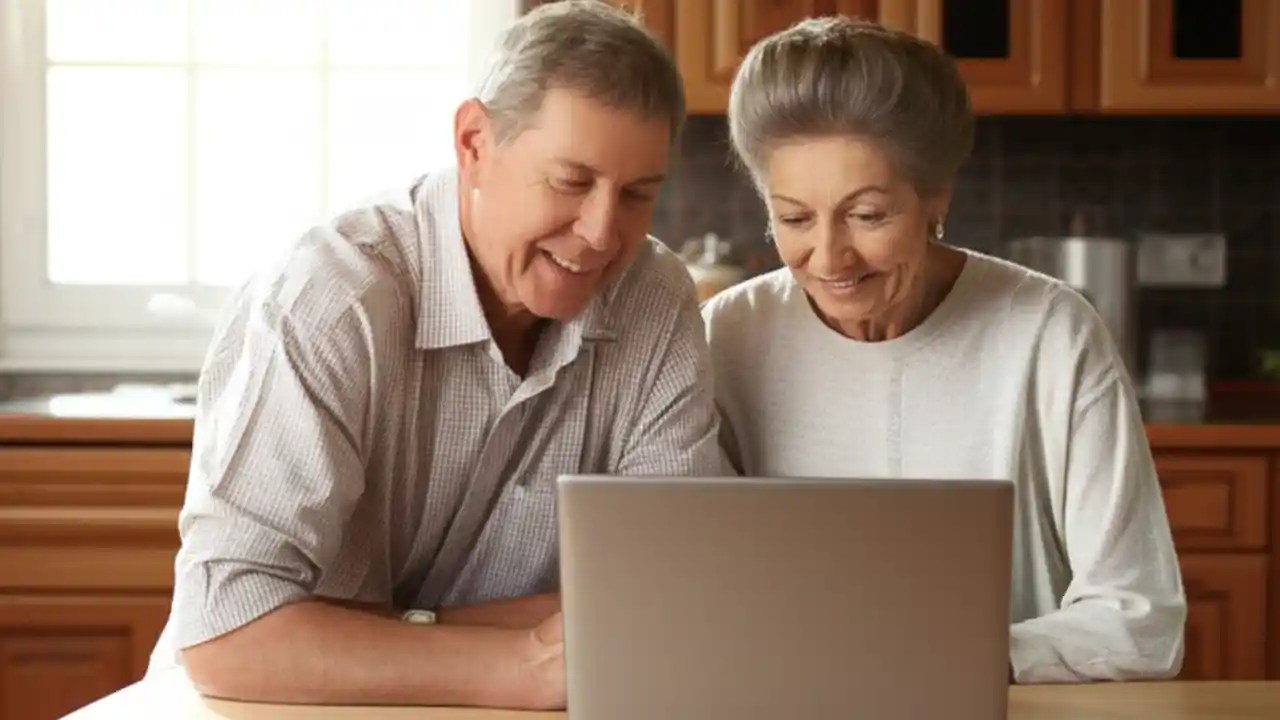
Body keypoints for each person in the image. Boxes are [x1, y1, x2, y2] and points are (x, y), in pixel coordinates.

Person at [148, 1, 719, 710]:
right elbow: (228, 632)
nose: (603, 233)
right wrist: (521, 663)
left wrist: (399, 632)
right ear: (474, 142)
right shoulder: (332, 299)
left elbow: (665, 595)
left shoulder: (654, 299)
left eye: (636, 195)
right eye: (571, 182)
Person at [702, 17, 1186, 684]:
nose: (830, 257)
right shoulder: (729, 334)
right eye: (794, 218)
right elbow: (702, 587)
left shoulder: (1049, 333)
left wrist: (945, 660)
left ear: (937, 197)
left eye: (867, 215)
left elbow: (1141, 621)